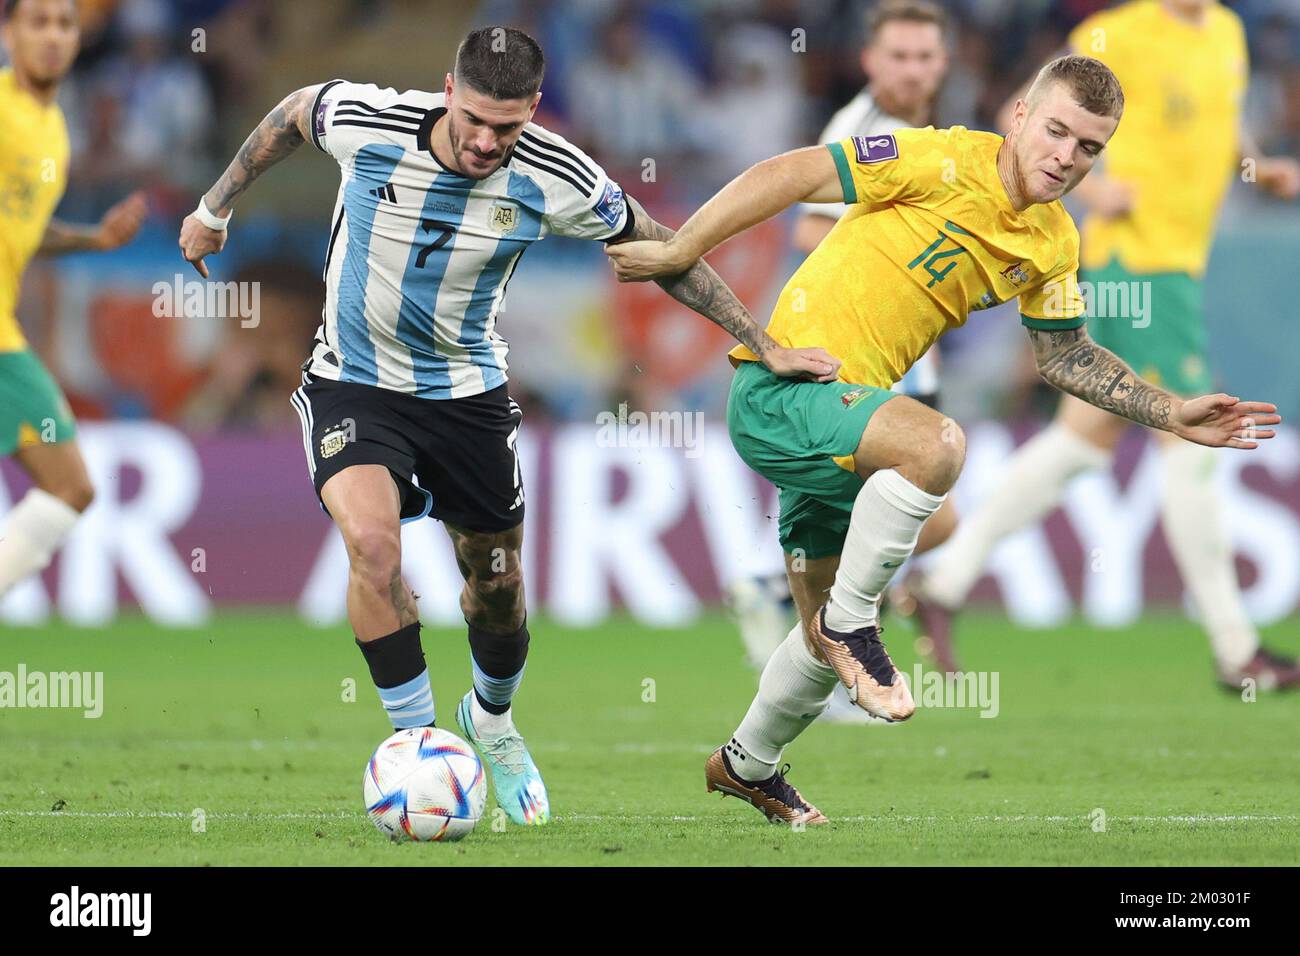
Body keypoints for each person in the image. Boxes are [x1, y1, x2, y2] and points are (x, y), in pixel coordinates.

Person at [177, 26, 837, 827]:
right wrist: (215, 207)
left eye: (508, 126)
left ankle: (489, 721)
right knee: (373, 546)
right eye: (474, 121)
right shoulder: (369, 120)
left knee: (495, 585)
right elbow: (290, 112)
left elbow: (666, 251)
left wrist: (763, 343)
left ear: (533, 110)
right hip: (355, 382)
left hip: (467, 394)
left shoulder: (556, 174)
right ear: (450, 93)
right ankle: (420, 748)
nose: (488, 141)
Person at [607, 55, 1280, 824]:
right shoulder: (938, 156)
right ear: (1020, 115)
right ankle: (856, 623)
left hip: (848, 419)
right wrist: (682, 249)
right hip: (783, 392)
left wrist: (1169, 412)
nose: (1066, 156)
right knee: (936, 447)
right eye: (1056, 130)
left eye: (1089, 147)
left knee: (815, 651)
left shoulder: (1054, 241)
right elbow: (794, 173)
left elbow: (1062, 355)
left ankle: (747, 763)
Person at [907, 0, 1300, 690]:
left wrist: (1256, 165)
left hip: (1179, 260)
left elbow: (1221, 116)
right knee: (1195, 435)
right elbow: (1015, 116)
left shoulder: (1227, 33)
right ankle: (1236, 649)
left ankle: (941, 583)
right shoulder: (1116, 34)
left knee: (1081, 442)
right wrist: (1093, 194)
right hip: (1137, 264)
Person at [726, 0, 957, 712]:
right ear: (870, 61)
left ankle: (820, 628)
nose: (914, 70)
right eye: (900, 56)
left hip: (909, 355)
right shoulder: (861, 132)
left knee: (916, 514)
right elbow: (808, 236)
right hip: (858, 353)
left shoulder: (932, 135)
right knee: (929, 514)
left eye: (925, 57)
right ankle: (804, 607)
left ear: (942, 62)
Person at [0, 0, 146, 602]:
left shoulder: (55, 128)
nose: (53, 36)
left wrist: (93, 238)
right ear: (9, 31)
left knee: (72, 486)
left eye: (64, 23)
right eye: (38, 22)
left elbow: (25, 225)